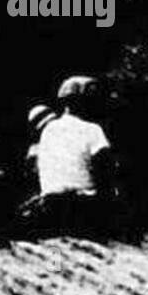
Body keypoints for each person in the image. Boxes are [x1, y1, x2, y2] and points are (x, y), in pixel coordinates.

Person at [27, 76, 116, 235]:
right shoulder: (93, 130)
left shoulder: (48, 130)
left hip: (51, 205)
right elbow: (105, 168)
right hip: (83, 206)